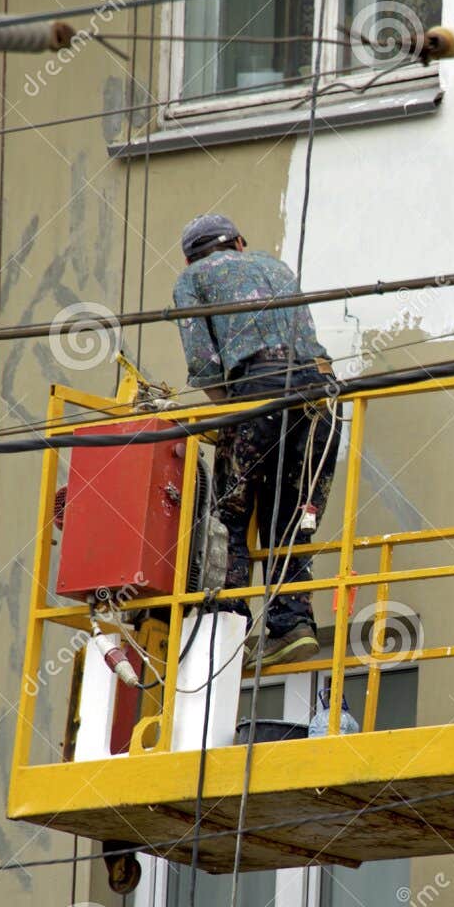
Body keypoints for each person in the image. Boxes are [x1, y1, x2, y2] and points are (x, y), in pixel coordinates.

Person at [173, 213, 338, 668]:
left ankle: (229, 621)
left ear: (191, 255)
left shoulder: (192, 278)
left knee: (229, 508)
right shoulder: (277, 267)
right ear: (240, 243)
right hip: (323, 395)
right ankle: (292, 624)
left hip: (262, 387)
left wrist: (236, 425)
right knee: (292, 515)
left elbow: (204, 364)